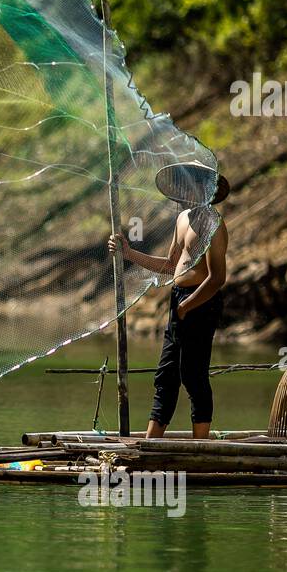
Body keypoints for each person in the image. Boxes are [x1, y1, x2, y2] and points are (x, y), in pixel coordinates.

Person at [107, 162, 229, 441]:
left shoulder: (214, 224)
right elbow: (170, 266)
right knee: (166, 375)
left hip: (201, 302)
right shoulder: (183, 219)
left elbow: (216, 278)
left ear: (205, 188)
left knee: (193, 374)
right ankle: (152, 442)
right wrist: (129, 253)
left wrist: (187, 307)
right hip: (179, 301)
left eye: (194, 185)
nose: (187, 191)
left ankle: (200, 446)